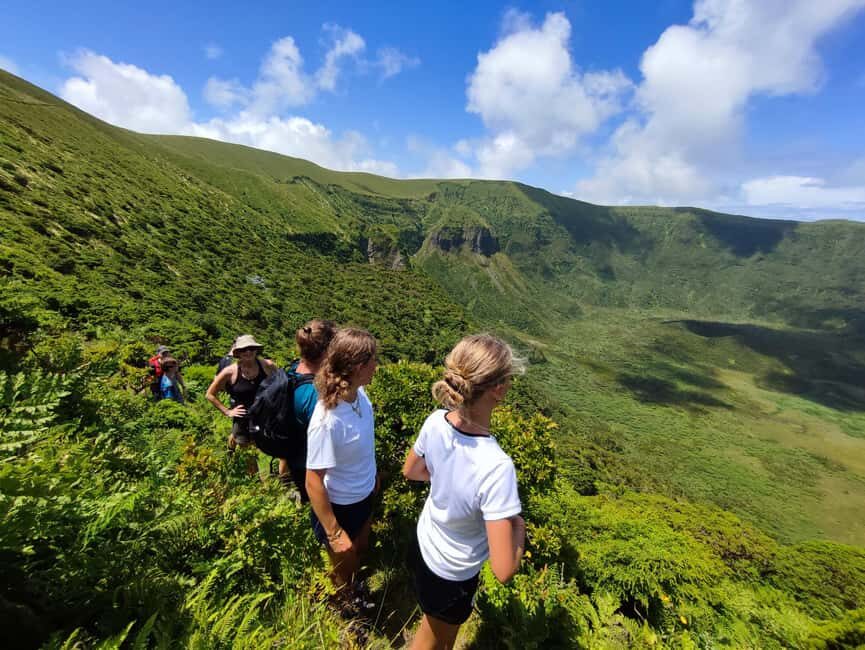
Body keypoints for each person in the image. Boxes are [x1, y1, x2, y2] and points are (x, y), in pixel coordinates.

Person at [402, 334, 526, 650]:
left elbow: (412, 471)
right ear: (498, 390)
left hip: (424, 543)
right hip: (453, 572)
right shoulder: (496, 466)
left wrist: (448, 481)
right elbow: (503, 570)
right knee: (438, 642)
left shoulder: (434, 422)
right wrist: (519, 528)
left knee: (429, 621)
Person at [305, 327, 379, 605]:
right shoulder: (328, 420)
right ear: (360, 367)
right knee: (342, 568)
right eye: (373, 361)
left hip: (363, 494)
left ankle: (353, 588)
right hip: (340, 505)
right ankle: (346, 609)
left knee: (360, 549)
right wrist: (334, 532)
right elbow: (313, 479)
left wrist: (372, 479)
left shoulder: (360, 395)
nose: (377, 366)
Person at [280, 319, 336, 500]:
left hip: (294, 457)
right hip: (311, 466)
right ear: (328, 350)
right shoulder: (314, 394)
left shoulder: (293, 371)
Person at [206, 334, 276, 456]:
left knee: (262, 446)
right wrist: (227, 411)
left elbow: (281, 384)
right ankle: (251, 472)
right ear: (237, 352)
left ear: (256, 350)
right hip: (242, 417)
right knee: (248, 452)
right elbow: (210, 394)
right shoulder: (230, 372)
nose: (248, 352)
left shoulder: (267, 365)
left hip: (263, 415)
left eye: (251, 348)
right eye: (243, 349)